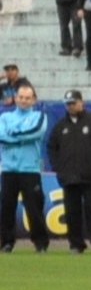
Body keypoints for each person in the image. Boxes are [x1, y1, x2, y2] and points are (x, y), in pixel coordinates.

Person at [48, 91, 91, 254]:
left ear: (81, 102)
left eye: (73, 103)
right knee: (72, 213)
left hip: (90, 176)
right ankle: (76, 244)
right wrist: (58, 167)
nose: (70, 106)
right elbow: (52, 147)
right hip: (69, 177)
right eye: (68, 103)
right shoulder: (61, 125)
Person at [0, 84, 51, 252]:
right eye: (21, 97)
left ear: (33, 100)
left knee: (34, 208)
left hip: (30, 169)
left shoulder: (39, 116)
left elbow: (35, 132)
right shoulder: (5, 117)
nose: (23, 100)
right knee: (6, 207)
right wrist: (20, 136)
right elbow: (1, 136)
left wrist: (13, 134)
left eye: (27, 98)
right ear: (15, 98)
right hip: (8, 169)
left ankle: (40, 243)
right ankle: (6, 242)